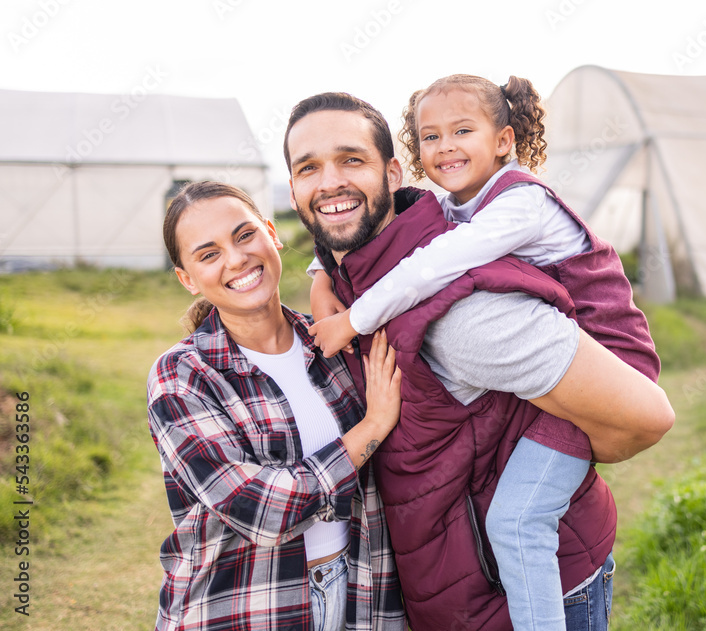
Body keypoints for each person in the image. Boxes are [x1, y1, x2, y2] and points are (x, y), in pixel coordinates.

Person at [285, 92, 674, 630]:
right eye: (310, 168)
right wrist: (323, 272)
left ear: (394, 176)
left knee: (518, 520)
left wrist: (352, 318)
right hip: (461, 593)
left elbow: (645, 416)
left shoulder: (467, 319)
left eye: (351, 160)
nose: (329, 182)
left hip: (524, 599)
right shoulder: (397, 247)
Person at [146, 181, 406, 631]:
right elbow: (260, 508)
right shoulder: (183, 376)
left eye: (245, 235)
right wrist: (372, 427)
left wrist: (325, 274)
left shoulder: (332, 343)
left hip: (361, 595)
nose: (236, 259)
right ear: (187, 279)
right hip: (244, 610)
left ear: (272, 233)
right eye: (208, 255)